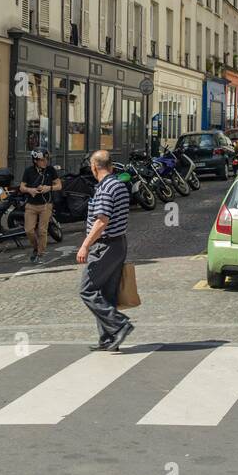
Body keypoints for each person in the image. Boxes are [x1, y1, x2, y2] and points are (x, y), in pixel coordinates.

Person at [77, 150, 133, 352]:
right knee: (106, 292)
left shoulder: (105, 188)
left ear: (94, 167)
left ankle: (119, 324)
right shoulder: (119, 184)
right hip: (118, 244)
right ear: (110, 165)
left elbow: (102, 221)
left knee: (87, 289)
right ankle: (108, 339)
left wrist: (85, 244)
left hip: (105, 245)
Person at [20, 149, 61, 264]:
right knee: (29, 230)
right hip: (31, 205)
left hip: (46, 205)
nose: (45, 162)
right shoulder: (28, 171)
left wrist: (49, 188)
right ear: (35, 160)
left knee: (42, 231)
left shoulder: (50, 170)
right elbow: (22, 187)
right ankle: (36, 247)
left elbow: (59, 185)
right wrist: (30, 190)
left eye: (46, 159)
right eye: (42, 160)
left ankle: (40, 254)